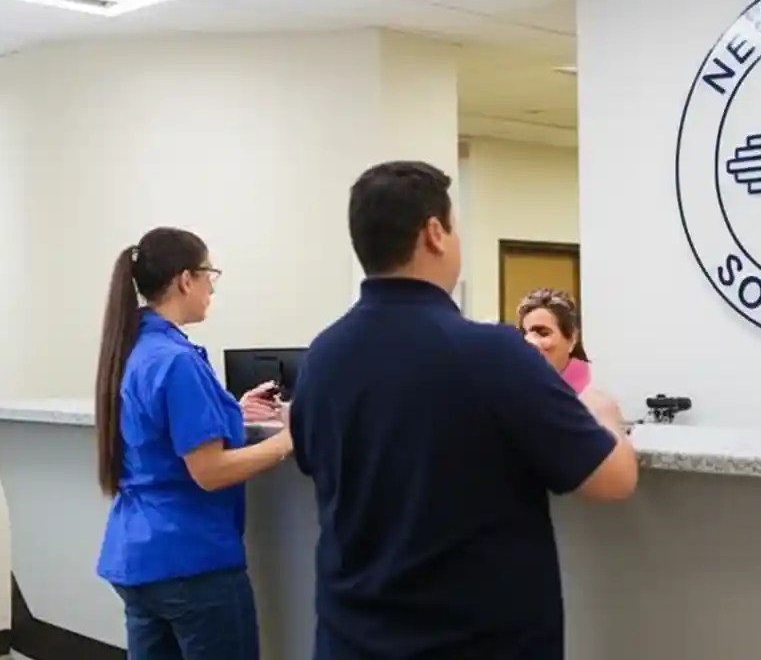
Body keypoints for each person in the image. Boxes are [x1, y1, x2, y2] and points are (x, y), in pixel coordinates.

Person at [288, 160, 639, 659]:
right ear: (434, 232)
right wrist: (605, 415)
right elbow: (613, 480)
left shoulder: (323, 355)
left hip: (351, 640)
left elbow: (314, 461)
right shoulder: (490, 354)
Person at [93, 226, 294, 660]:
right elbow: (210, 471)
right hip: (191, 561)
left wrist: (230, 412)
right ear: (187, 279)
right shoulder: (177, 361)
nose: (210, 288)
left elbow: (157, 433)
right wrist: (288, 441)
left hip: (138, 558)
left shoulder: (133, 350)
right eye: (210, 276)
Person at [515, 287, 624, 427]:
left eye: (543, 333)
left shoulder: (597, 408)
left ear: (572, 339)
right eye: (525, 334)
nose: (531, 342)